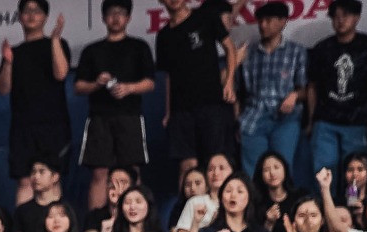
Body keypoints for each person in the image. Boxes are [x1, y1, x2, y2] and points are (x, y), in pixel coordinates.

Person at [73, 1, 154, 212]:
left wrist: (129, 88)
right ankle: (95, 225)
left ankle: (138, 219)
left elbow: (150, 82)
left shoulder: (139, 47)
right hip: (100, 117)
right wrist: (96, 83)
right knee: (100, 172)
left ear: (128, 18)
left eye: (121, 13)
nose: (116, 18)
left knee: (133, 170)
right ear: (103, 18)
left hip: (130, 116)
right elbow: (78, 86)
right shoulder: (92, 50)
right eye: (111, 13)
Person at [156, 0, 238, 187]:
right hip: (181, 110)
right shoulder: (163, 35)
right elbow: (168, 76)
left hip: (211, 103)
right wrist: (169, 112)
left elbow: (229, 47)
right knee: (187, 166)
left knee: (216, 164)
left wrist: (229, 82)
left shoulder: (205, 17)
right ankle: (186, 212)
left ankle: (220, 212)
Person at [0, 0, 72, 204]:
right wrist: (8, 62)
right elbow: (3, 89)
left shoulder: (57, 44)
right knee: (25, 181)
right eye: (26, 11)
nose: (31, 15)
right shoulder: (14, 52)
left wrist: (55, 38)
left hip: (53, 125)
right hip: (23, 126)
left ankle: (55, 230)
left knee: (52, 180)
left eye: (37, 11)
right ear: (20, 17)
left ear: (45, 17)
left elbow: (61, 73)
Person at [307, 0, 367, 179]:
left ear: (356, 18)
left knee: (355, 172)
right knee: (324, 171)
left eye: (345, 16)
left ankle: (353, 205)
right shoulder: (322, 48)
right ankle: (326, 205)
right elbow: (312, 86)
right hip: (326, 121)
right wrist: (311, 120)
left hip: (358, 120)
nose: (340, 21)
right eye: (336, 16)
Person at [238, 2, 307, 179]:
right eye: (260, 20)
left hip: (285, 119)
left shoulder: (296, 51)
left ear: (283, 21)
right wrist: (236, 121)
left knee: (281, 169)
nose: (263, 25)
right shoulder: (248, 53)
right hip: (253, 118)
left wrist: (294, 95)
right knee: (253, 173)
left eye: (268, 20)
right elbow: (237, 92)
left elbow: (306, 90)